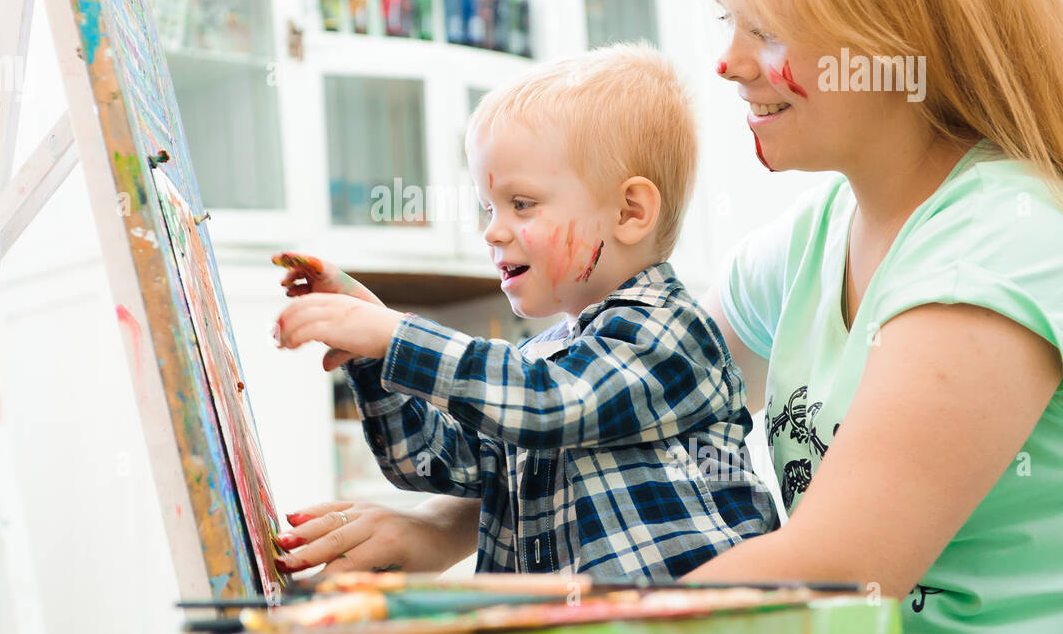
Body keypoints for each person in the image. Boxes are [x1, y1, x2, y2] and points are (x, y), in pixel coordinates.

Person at [273, 0, 1063, 634]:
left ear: (890, 31)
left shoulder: (1000, 242)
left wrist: (493, 618)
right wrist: (438, 531)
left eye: (763, 27)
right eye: (729, 19)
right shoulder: (811, 243)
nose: (726, 61)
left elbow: (837, 565)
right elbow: (612, 413)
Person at [271, 43, 779, 580]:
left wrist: (397, 336)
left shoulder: (670, 336)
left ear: (629, 212)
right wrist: (370, 355)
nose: (492, 230)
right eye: (489, 208)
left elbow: (547, 404)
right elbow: (427, 460)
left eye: (522, 204)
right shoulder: (541, 360)